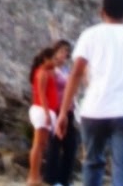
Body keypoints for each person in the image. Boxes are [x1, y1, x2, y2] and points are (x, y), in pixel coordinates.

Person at [55, 0, 123, 186]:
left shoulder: (89, 35)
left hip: (94, 109)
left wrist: (62, 112)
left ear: (102, 11)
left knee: (92, 164)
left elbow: (75, 74)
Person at [44, 39, 79, 186]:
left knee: (71, 145)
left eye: (66, 52)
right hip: (55, 109)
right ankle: (51, 178)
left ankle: (65, 178)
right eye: (62, 51)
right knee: (54, 144)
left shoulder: (67, 71)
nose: (65, 54)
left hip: (68, 110)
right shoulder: (50, 69)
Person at [27, 46, 57, 185]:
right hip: (41, 109)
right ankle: (33, 177)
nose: (55, 62)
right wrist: (46, 113)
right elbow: (41, 94)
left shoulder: (45, 72)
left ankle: (36, 176)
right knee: (38, 145)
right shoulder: (42, 73)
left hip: (43, 109)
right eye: (53, 59)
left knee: (41, 144)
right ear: (46, 59)